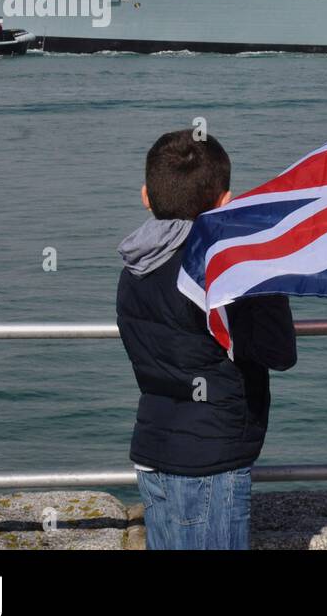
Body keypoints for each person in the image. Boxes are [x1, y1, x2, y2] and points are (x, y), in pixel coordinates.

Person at [116, 128, 298, 550]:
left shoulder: (134, 266)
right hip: (209, 460)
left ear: (146, 195)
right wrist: (264, 273)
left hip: (154, 450)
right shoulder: (219, 271)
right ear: (224, 202)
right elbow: (279, 352)